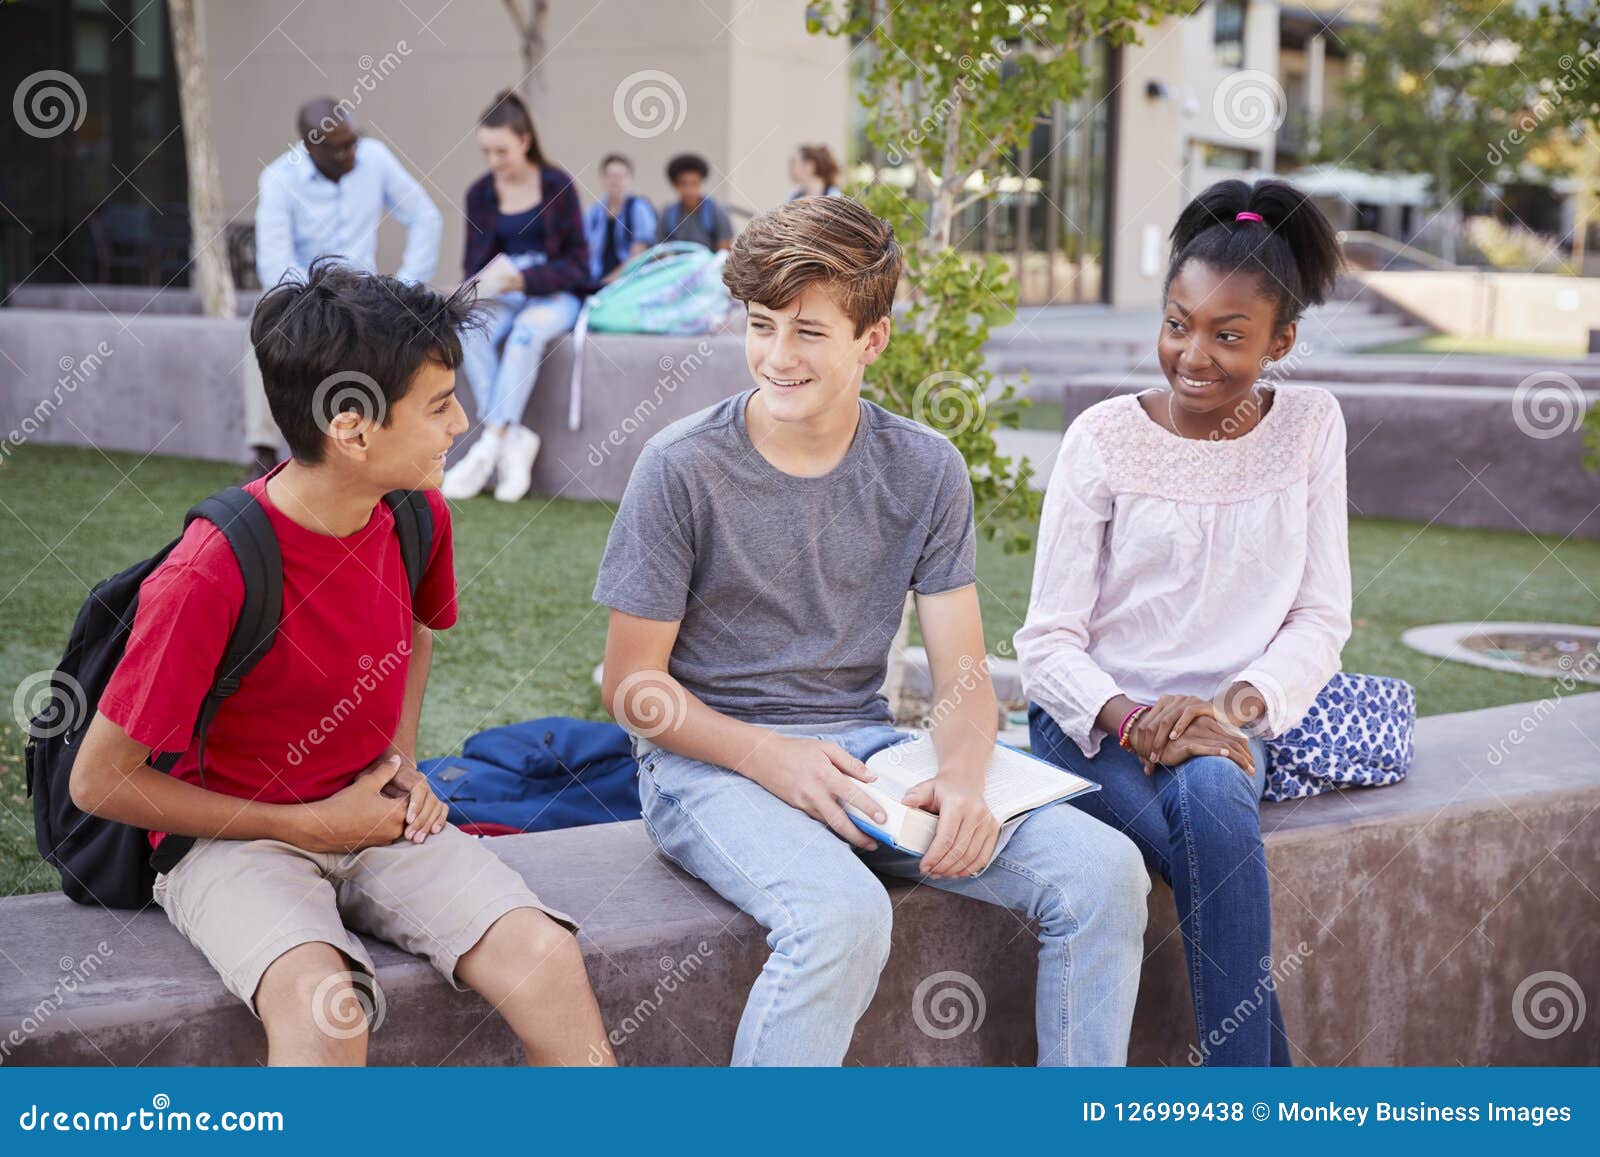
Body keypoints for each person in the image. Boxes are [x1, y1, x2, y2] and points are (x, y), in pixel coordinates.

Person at [594, 196, 1150, 1067]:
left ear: (873, 339)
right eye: (761, 324)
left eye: (809, 332)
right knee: (842, 917)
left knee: (1106, 874)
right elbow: (632, 688)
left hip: (867, 756)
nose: (778, 356)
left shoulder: (925, 468)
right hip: (707, 766)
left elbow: (963, 678)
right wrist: (770, 757)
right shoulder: (680, 466)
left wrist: (965, 781)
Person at [71, 261, 614, 1068]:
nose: (462, 421)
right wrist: (305, 825)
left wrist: (396, 758)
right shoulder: (208, 571)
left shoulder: (412, 512)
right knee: (328, 1014)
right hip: (232, 840)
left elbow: (419, 630)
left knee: (546, 960)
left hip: (373, 810)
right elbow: (100, 781)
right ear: (352, 427)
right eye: (438, 406)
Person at [1016, 177, 1351, 1067]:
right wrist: (1134, 717)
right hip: (1092, 725)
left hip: (1235, 723)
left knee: (1208, 790)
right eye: (1178, 322)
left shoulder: (1314, 427)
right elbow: (1046, 640)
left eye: (1229, 334)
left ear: (1282, 340)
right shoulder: (1102, 437)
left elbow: (1321, 616)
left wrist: (1231, 709)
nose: (1193, 354)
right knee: (1209, 841)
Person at [246, 98, 442, 480]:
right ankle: (263, 451)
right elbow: (274, 264)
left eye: (353, 141)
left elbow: (425, 216)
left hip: (366, 295)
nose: (351, 152)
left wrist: (405, 283)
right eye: (338, 147)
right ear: (310, 146)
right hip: (302, 295)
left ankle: (387, 448)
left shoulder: (375, 159)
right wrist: (314, 304)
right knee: (260, 323)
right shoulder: (278, 179)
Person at [443, 91, 590, 503]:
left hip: (553, 294)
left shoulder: (558, 185)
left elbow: (578, 267)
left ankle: (488, 445)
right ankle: (512, 439)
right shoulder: (479, 194)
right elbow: (473, 265)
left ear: (525, 141)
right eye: (485, 151)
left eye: (501, 151)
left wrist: (523, 279)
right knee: (470, 334)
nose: (493, 161)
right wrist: (489, 283)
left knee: (526, 334)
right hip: (500, 294)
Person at [583, 153, 657, 284]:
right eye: (610, 176)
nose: (615, 181)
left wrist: (608, 282)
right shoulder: (593, 212)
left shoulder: (639, 208)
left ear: (630, 179)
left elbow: (639, 255)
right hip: (594, 279)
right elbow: (584, 250)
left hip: (629, 282)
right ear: (603, 178)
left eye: (620, 176)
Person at [656, 153, 734, 253]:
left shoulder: (716, 211)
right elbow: (659, 251)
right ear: (675, 185)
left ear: (701, 183)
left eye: (694, 183)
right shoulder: (667, 214)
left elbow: (724, 253)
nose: (689, 190)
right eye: (683, 184)